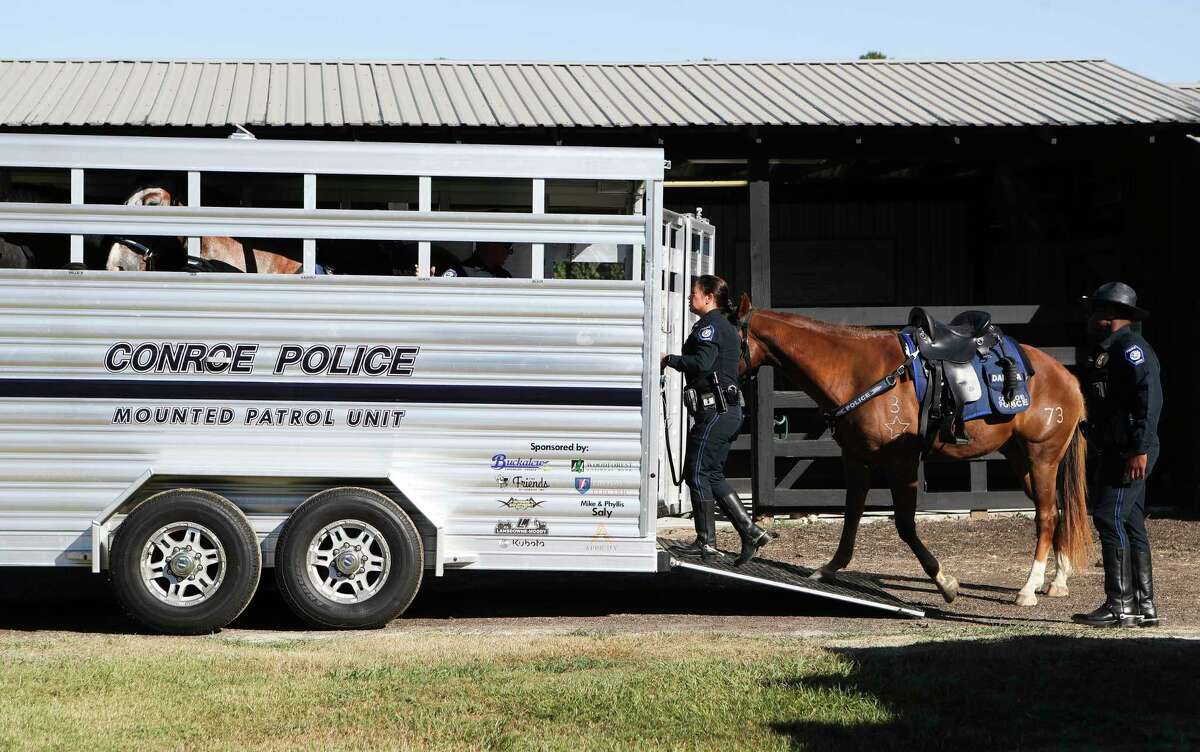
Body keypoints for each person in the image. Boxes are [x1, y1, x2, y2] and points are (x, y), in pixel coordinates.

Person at [661, 274, 772, 566]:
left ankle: (706, 543)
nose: (690, 297)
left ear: (709, 297)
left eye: (694, 292)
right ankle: (751, 532)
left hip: (715, 411)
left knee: (696, 474)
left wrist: (668, 359)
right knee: (712, 475)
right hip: (728, 411)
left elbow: (703, 363)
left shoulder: (710, 327)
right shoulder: (723, 326)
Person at [1073, 281, 1163, 628]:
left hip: (1130, 449)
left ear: (1110, 314)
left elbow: (1149, 401)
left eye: (1096, 309)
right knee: (1130, 521)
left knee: (1108, 516)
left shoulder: (1131, 350)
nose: (1092, 315)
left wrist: (1138, 449)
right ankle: (1144, 605)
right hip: (1119, 446)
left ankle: (1119, 604)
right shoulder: (1111, 348)